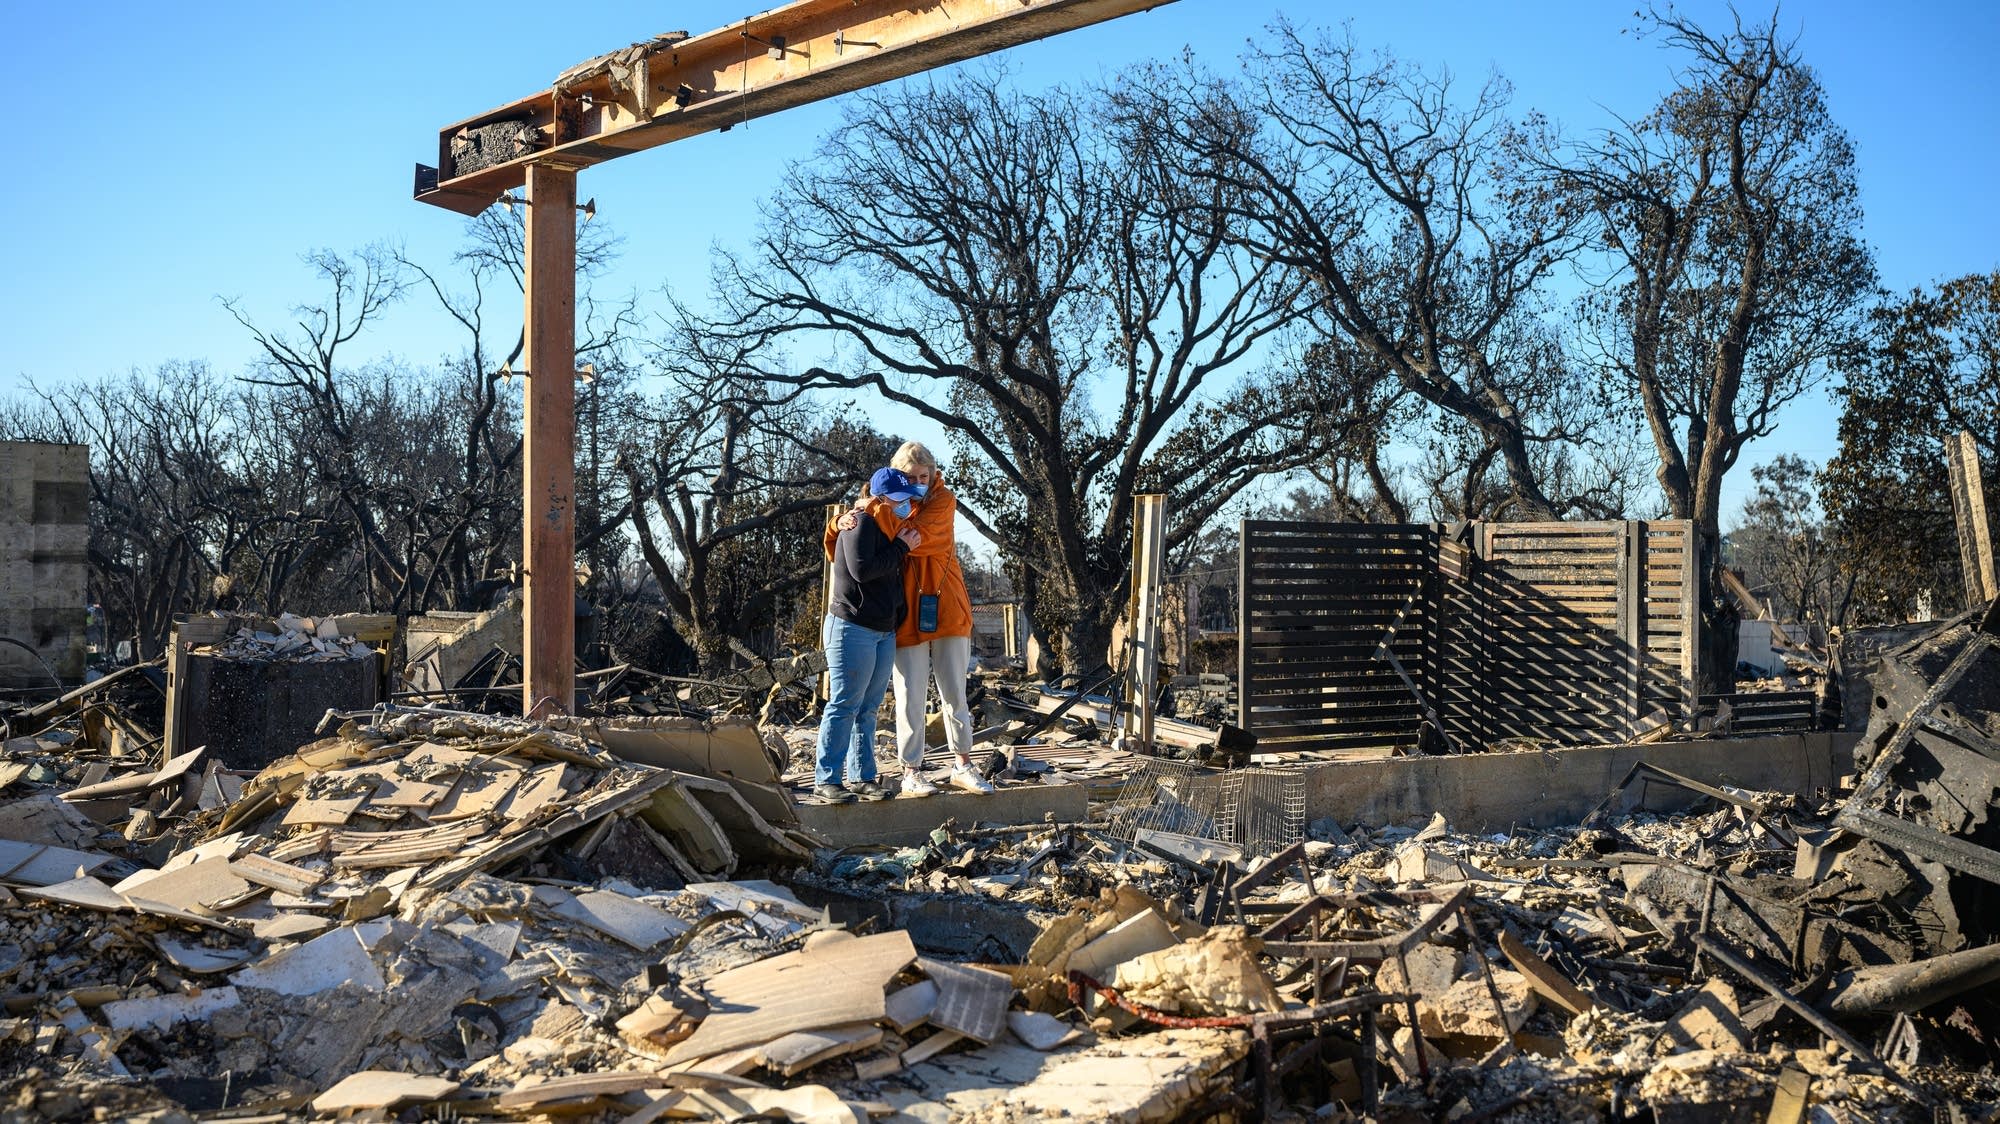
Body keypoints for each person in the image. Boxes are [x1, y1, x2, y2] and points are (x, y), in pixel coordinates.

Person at [837, 442, 995, 797]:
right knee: (909, 694)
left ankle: (963, 765)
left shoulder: (942, 501)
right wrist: (841, 521)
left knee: (954, 691)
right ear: (896, 477)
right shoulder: (881, 508)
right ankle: (912, 771)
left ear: (934, 474)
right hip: (905, 610)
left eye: (925, 476)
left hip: (948, 608)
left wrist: (872, 510)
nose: (919, 483)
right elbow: (846, 544)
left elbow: (913, 537)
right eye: (910, 478)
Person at [813, 469, 923, 804]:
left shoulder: (890, 527)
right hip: (852, 626)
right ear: (882, 498)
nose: (907, 505)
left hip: (881, 629)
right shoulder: (859, 523)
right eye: (901, 499)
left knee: (870, 707)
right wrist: (902, 547)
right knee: (845, 704)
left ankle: (862, 776)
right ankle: (827, 779)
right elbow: (862, 570)